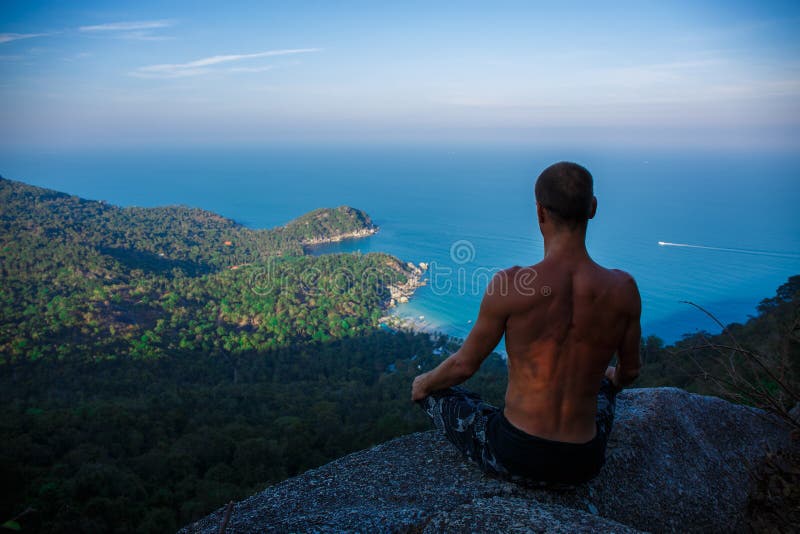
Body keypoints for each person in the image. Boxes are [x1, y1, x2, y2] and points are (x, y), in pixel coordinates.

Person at [411, 161, 642, 485]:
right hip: (583, 463)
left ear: (540, 212)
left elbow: (463, 366)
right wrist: (610, 378)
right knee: (606, 387)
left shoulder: (510, 284)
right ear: (592, 208)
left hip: (516, 455)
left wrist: (423, 384)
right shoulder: (623, 289)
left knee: (436, 393)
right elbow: (629, 373)